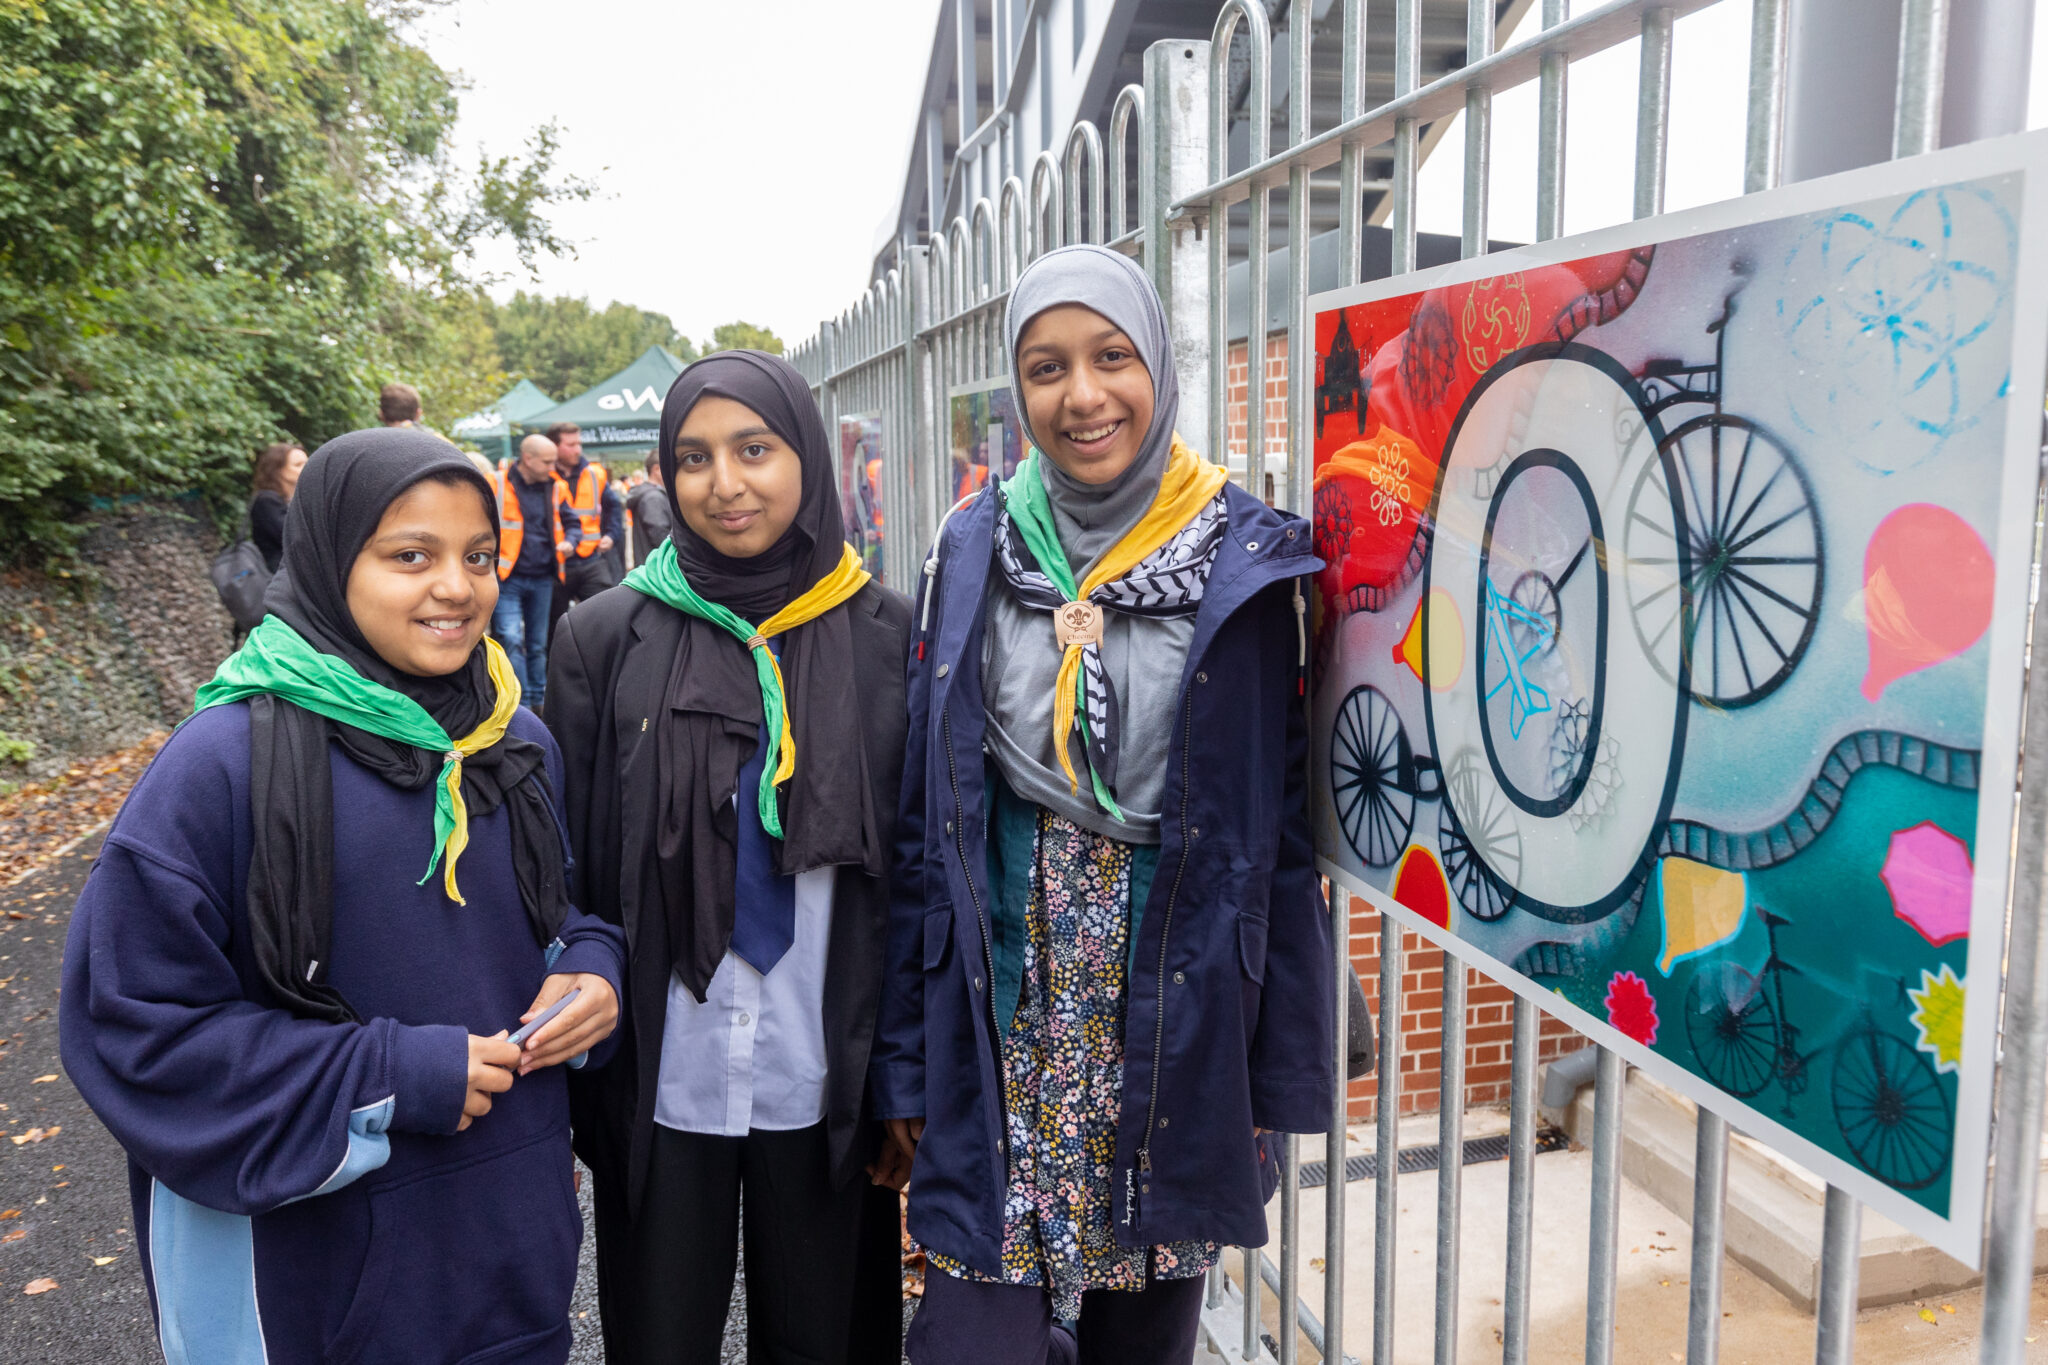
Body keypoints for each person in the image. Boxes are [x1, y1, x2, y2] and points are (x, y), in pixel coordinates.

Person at [59, 428, 624, 1364]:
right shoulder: (220, 765)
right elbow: (134, 1031)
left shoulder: (512, 742)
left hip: (510, 1260)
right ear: (326, 558)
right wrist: (391, 1071)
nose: (458, 586)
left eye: (479, 556)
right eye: (411, 555)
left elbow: (560, 917)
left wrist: (597, 969)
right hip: (307, 1293)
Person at [871, 245, 1334, 1365]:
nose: (1080, 396)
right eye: (1044, 367)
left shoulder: (1248, 557)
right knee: (969, 1341)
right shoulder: (972, 541)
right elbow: (923, 821)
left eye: (1110, 357)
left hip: (1167, 1015)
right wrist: (904, 1061)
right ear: (1015, 389)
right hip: (1003, 1016)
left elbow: (1274, 841)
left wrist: (1269, 1078)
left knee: (1141, 1339)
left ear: (1156, 367)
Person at [547, 350, 911, 1364]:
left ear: (804, 456)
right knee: (658, 1338)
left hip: (823, 1069)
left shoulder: (886, 635)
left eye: (754, 449)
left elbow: (911, 877)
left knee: (824, 1340)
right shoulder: (600, 638)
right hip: (667, 1077)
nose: (724, 484)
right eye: (694, 458)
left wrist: (902, 1077)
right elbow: (573, 874)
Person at [494, 433, 577, 713]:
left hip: (543, 576)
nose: (553, 467)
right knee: (510, 638)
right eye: (547, 461)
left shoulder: (556, 486)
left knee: (538, 644)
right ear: (527, 459)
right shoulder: (497, 484)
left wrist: (571, 541)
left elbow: (573, 523)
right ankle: (521, 704)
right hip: (508, 576)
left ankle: (538, 702)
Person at [549, 422, 625, 617]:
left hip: (591, 560)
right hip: (556, 563)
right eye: (571, 445)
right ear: (554, 445)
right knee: (555, 625)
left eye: (579, 444)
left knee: (606, 616)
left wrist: (611, 535)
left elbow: (613, 506)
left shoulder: (594, 473)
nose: (578, 449)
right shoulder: (543, 474)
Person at [248, 441, 307, 573]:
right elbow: (292, 536)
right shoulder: (266, 501)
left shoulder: (295, 497)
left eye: (307, 463)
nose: (306, 467)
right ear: (278, 469)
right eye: (298, 465)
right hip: (279, 575)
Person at [624, 449, 673, 568]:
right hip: (657, 570)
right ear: (656, 469)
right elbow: (661, 538)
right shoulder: (653, 498)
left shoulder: (649, 494)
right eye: (669, 466)